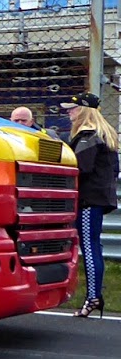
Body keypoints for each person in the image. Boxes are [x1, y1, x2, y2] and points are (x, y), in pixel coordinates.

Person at [62, 92, 118, 318]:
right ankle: (95, 295)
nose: (69, 112)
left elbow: (79, 167)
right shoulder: (104, 135)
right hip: (97, 198)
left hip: (88, 200)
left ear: (84, 111)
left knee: (90, 247)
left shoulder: (88, 135)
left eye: (73, 109)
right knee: (93, 246)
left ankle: (93, 296)